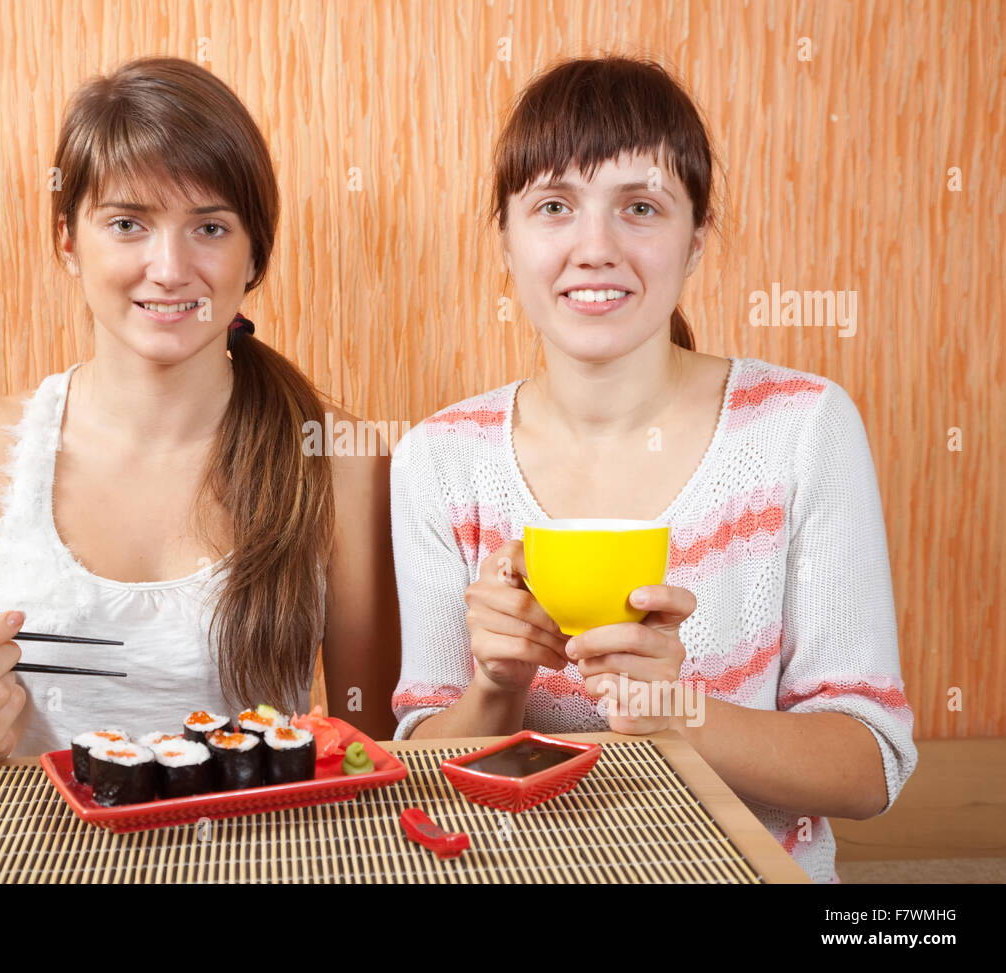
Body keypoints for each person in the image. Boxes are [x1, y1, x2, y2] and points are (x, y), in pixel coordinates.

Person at [389, 56, 916, 883]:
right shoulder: (438, 457)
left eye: (640, 207)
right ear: (506, 237)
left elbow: (869, 765)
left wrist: (677, 712)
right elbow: (421, 758)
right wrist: (497, 681)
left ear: (697, 238)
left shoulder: (802, 426)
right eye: (554, 207)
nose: (595, 249)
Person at [0, 57, 400, 810]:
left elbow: (370, 755)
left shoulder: (340, 460)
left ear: (254, 253)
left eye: (210, 227)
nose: (169, 267)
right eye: (128, 223)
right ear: (68, 241)